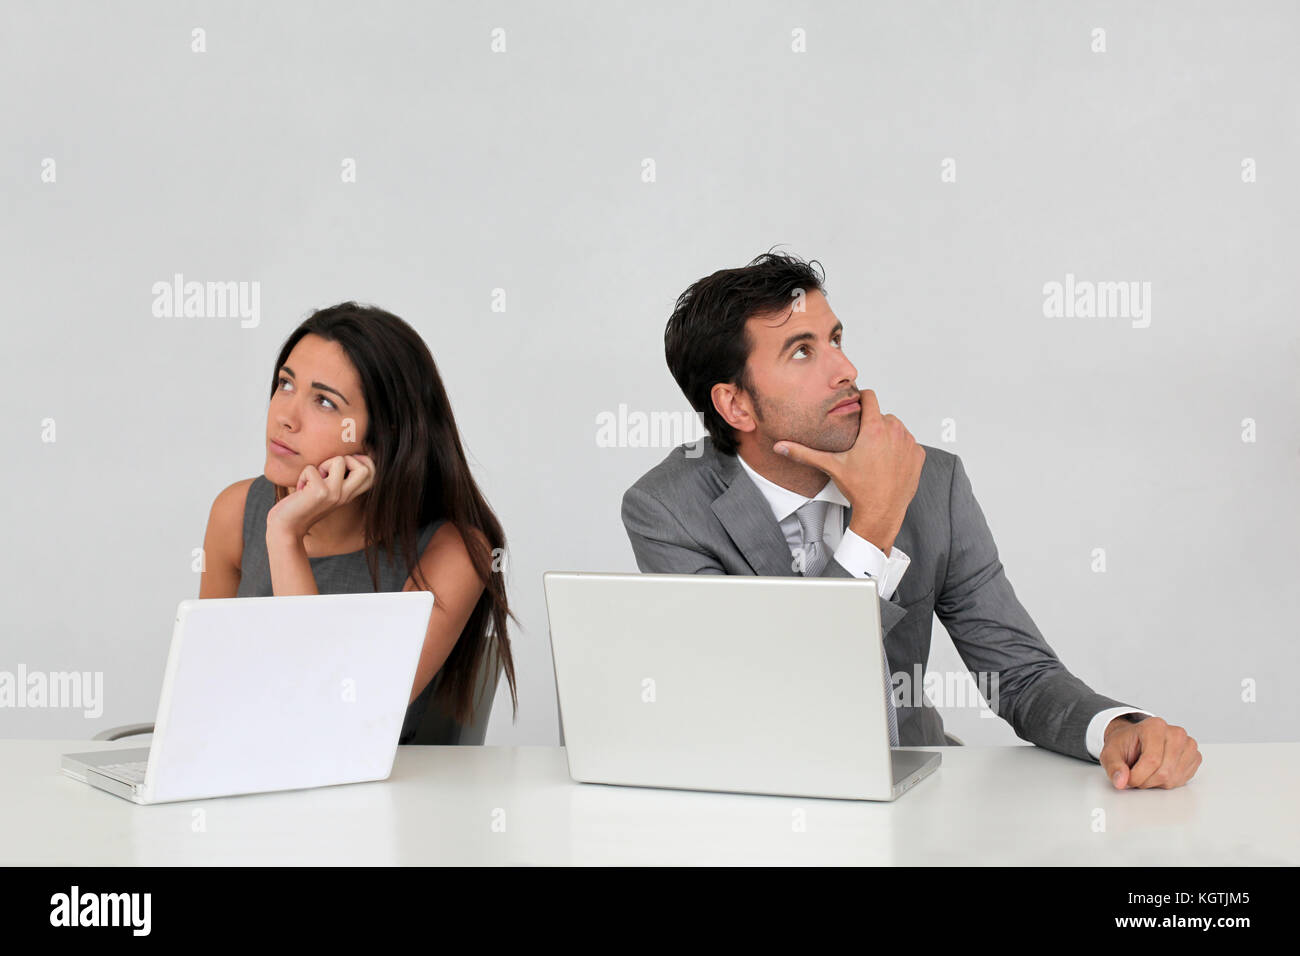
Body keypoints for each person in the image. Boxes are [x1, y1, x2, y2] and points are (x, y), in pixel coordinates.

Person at [621, 252, 1200, 790]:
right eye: (802, 351)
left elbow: (1019, 674)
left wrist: (1115, 729)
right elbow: (774, 701)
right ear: (736, 405)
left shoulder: (934, 480)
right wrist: (875, 519)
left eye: (836, 339)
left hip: (916, 790)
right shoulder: (667, 510)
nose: (846, 369)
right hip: (760, 799)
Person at [199, 302, 517, 743]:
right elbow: (205, 693)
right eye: (285, 384)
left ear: (382, 435)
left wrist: (285, 535)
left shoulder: (455, 553)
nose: (285, 417)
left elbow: (330, 724)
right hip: (242, 780)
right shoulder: (235, 512)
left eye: (325, 402)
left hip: (376, 802)